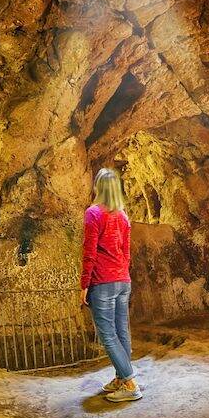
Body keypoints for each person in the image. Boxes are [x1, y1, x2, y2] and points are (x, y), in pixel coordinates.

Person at [80, 168, 141, 402]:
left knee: (107, 335)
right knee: (121, 331)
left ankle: (129, 382)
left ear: (98, 187)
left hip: (103, 281)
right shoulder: (123, 216)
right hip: (122, 280)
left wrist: (85, 283)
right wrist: (123, 275)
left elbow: (90, 252)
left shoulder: (93, 214)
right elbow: (126, 253)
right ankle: (120, 377)